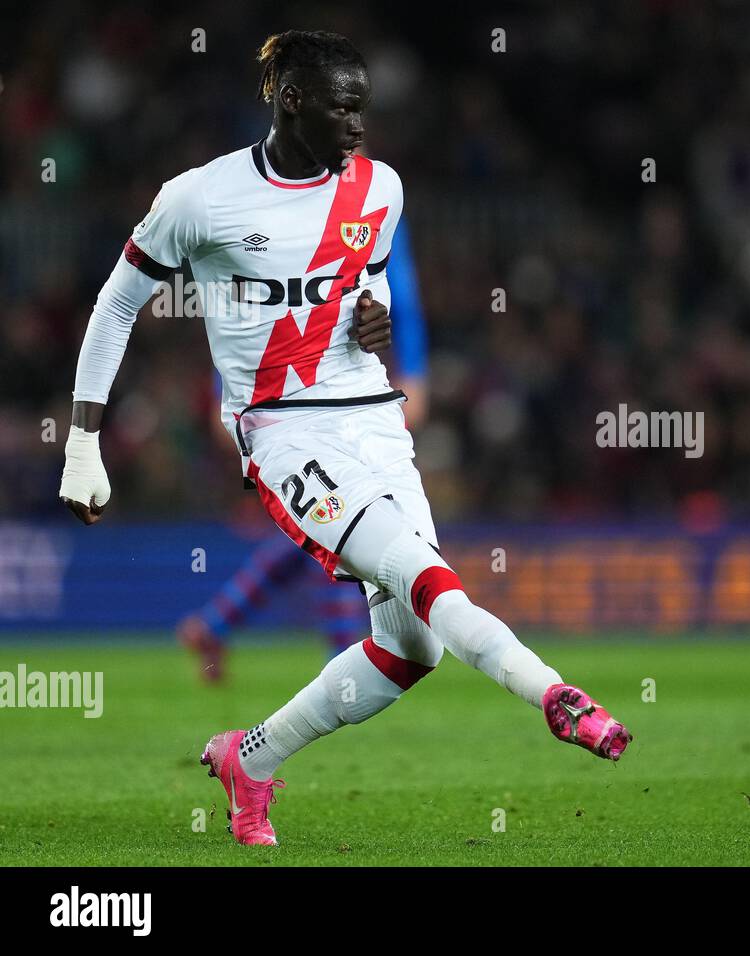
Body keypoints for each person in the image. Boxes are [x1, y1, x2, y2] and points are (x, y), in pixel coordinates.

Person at [57, 30, 631, 847]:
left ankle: (248, 761)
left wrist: (375, 319)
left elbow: (362, 296)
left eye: (364, 107)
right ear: (292, 100)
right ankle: (555, 695)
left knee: (412, 648)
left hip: (373, 417)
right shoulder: (200, 199)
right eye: (344, 106)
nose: (359, 124)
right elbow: (116, 306)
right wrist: (83, 442)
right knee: (425, 574)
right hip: (282, 433)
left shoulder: (380, 190)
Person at [176, 219, 429, 681]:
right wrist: (225, 391)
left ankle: (216, 624)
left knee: (319, 522)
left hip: (351, 389)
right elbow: (248, 299)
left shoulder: (375, 195)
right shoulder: (279, 197)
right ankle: (340, 660)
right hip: (287, 397)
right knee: (335, 517)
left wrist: (411, 369)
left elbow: (399, 292)